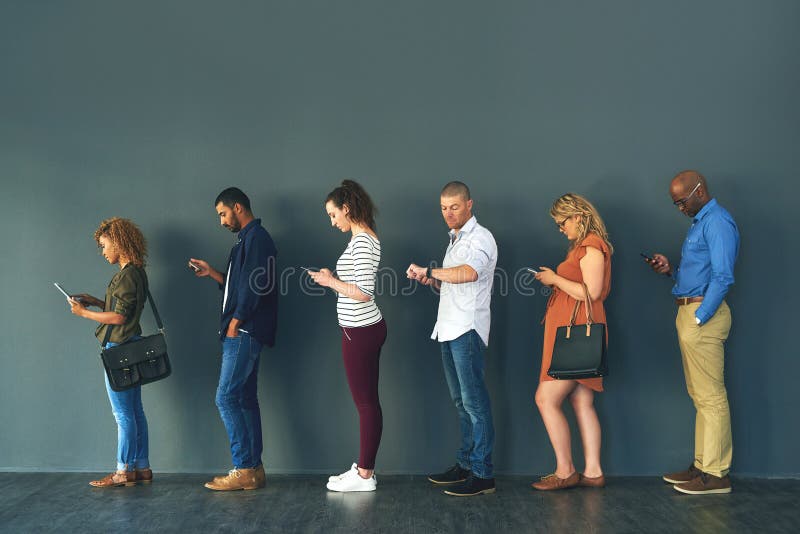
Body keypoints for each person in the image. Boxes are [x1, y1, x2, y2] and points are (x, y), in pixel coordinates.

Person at [647, 170, 739, 495]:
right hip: (689, 310)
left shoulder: (718, 222)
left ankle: (716, 474)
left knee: (711, 397)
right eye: (676, 204)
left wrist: (700, 317)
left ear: (699, 191)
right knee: (700, 396)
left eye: (682, 202)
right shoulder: (700, 223)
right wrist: (670, 270)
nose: (680, 208)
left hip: (703, 316)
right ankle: (702, 467)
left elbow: (723, 276)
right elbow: (699, 274)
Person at [407, 181, 498, 497]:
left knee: (474, 402)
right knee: (462, 402)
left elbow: (470, 273)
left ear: (470, 204)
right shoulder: (455, 239)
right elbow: (455, 283)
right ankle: (466, 465)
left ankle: (483, 474)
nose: (448, 213)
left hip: (467, 329)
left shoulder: (481, 238)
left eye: (454, 207)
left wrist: (430, 271)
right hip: (448, 328)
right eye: (444, 208)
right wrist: (430, 280)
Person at [189, 187, 278, 491]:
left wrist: (236, 323)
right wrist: (212, 273)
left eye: (223, 214)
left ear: (238, 207)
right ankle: (254, 470)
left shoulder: (257, 239)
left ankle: (243, 468)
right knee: (244, 398)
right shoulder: (248, 240)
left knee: (225, 397)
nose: (222, 221)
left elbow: (255, 286)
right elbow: (238, 285)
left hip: (243, 331)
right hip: (245, 329)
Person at [308, 180, 387, 493]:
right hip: (359, 330)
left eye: (333, 214)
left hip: (361, 331)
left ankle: (365, 475)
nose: (332, 221)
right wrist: (333, 279)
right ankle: (365, 469)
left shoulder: (363, 241)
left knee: (366, 404)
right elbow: (355, 287)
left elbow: (364, 293)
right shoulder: (360, 239)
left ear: (347, 208)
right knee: (366, 403)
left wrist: (330, 282)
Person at [531, 194, 613, 491]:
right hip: (575, 335)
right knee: (581, 401)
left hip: (575, 336)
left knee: (546, 399)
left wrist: (555, 279)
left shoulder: (591, 246)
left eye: (562, 222)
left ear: (578, 216)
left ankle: (565, 471)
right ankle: (593, 471)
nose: (561, 228)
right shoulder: (583, 246)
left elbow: (591, 292)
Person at [68, 217, 153, 488]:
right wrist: (94, 301)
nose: (103, 252)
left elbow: (119, 317)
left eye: (105, 245)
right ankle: (142, 468)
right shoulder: (137, 272)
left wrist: (84, 313)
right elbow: (123, 309)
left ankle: (122, 471)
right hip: (131, 344)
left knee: (123, 414)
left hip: (119, 349)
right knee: (135, 410)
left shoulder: (127, 275)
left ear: (118, 242)